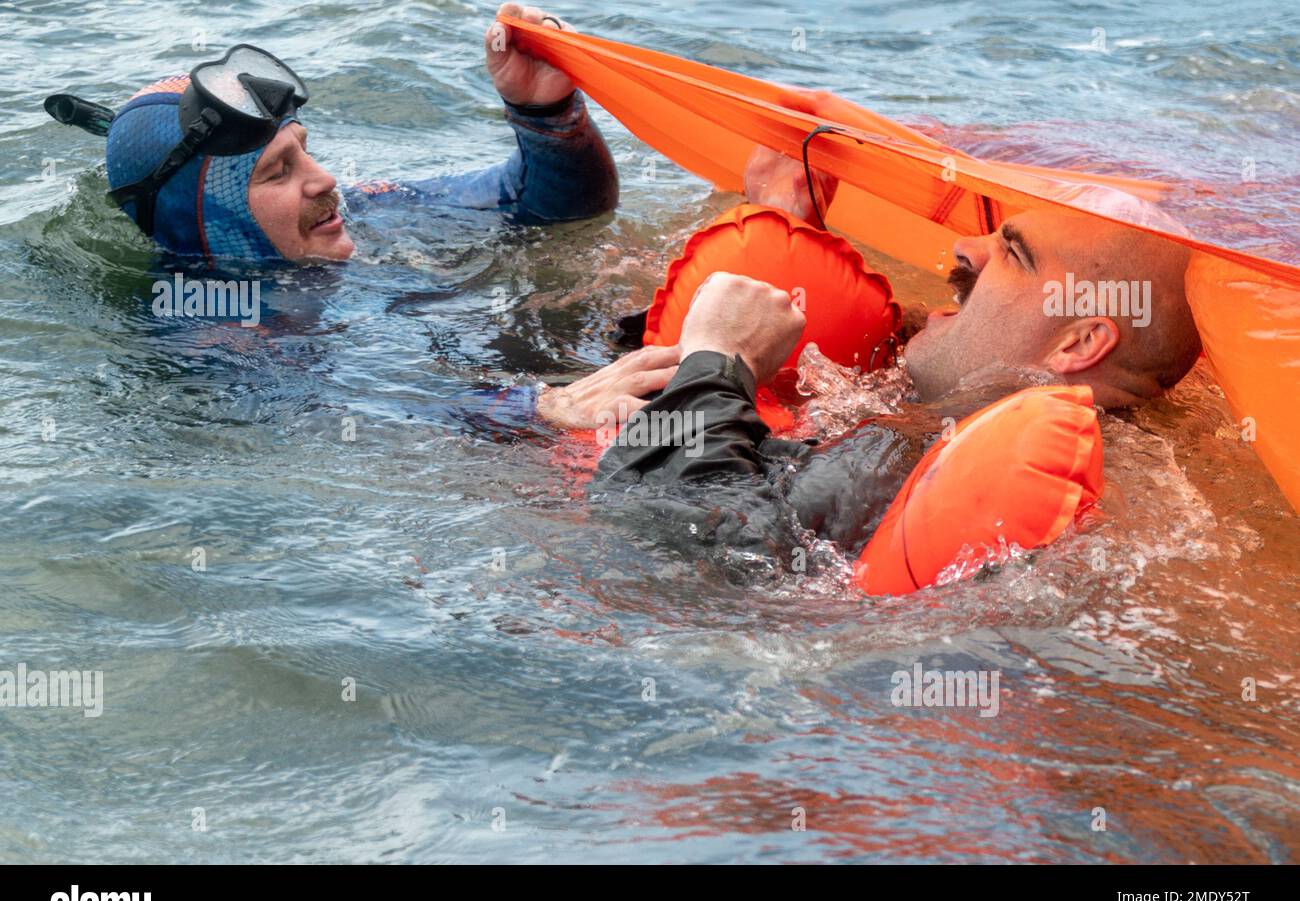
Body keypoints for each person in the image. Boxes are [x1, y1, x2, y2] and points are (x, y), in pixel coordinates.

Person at [540, 189, 1202, 566]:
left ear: (1081, 340)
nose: (966, 249)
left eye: (1014, 252)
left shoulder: (930, 445)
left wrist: (720, 356)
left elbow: (683, 543)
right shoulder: (1106, 450)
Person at [44, 5, 617, 266]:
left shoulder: (365, 213)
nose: (326, 180)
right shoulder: (218, 334)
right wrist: (534, 406)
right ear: (213, 216)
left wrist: (545, 115)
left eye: (303, 152)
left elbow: (548, 207)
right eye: (278, 170)